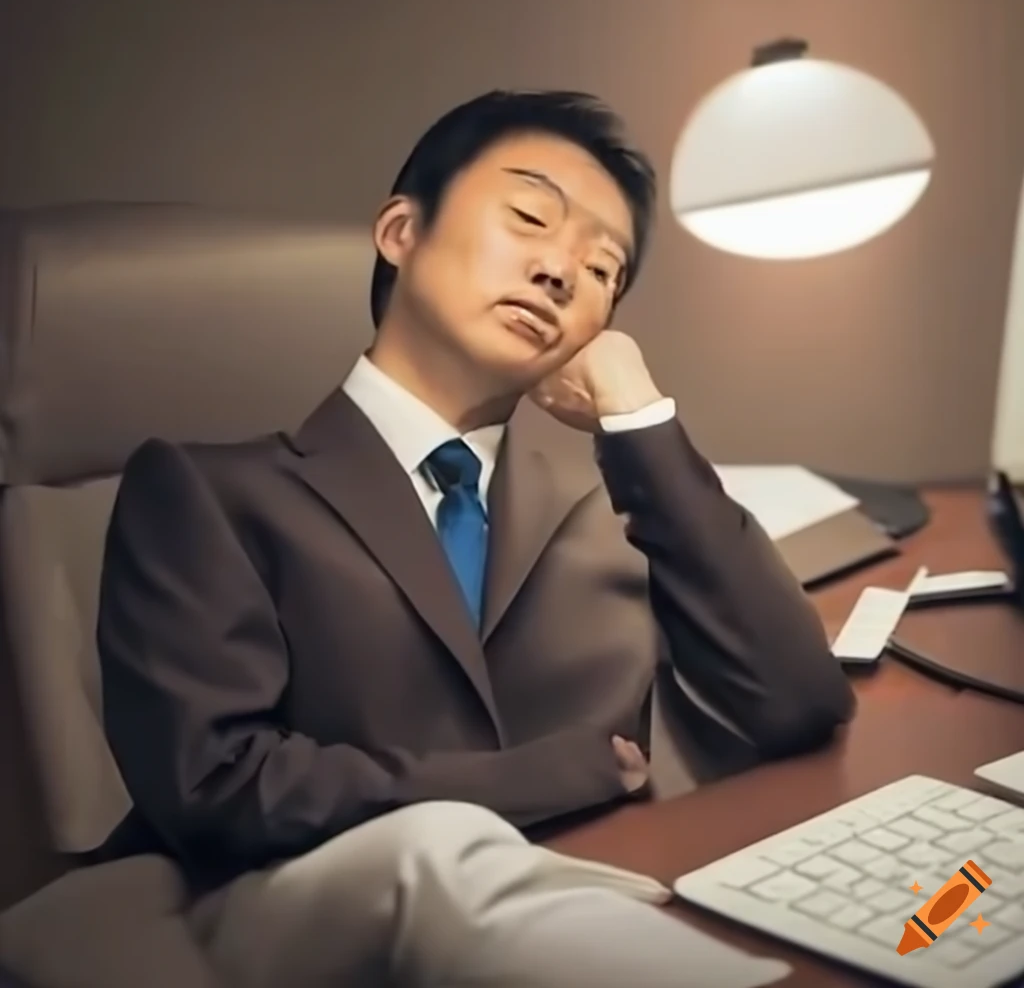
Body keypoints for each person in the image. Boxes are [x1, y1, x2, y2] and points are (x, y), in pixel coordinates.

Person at [95, 89, 855, 985]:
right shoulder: (209, 491)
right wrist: (538, 777)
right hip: (292, 921)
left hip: (595, 907)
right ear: (400, 233)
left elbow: (798, 700)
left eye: (603, 269)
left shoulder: (612, 505)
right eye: (529, 217)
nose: (562, 272)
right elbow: (217, 786)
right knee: (434, 851)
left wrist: (637, 415)